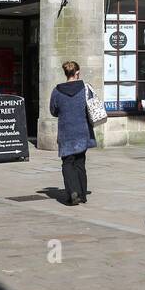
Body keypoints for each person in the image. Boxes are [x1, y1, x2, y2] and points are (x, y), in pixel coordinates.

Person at [49, 60, 96, 206]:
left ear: (66, 73)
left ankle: (72, 191)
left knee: (67, 163)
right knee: (80, 162)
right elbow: (93, 107)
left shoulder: (57, 91)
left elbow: (53, 111)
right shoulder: (86, 88)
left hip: (66, 132)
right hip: (82, 131)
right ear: (77, 73)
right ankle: (82, 194)